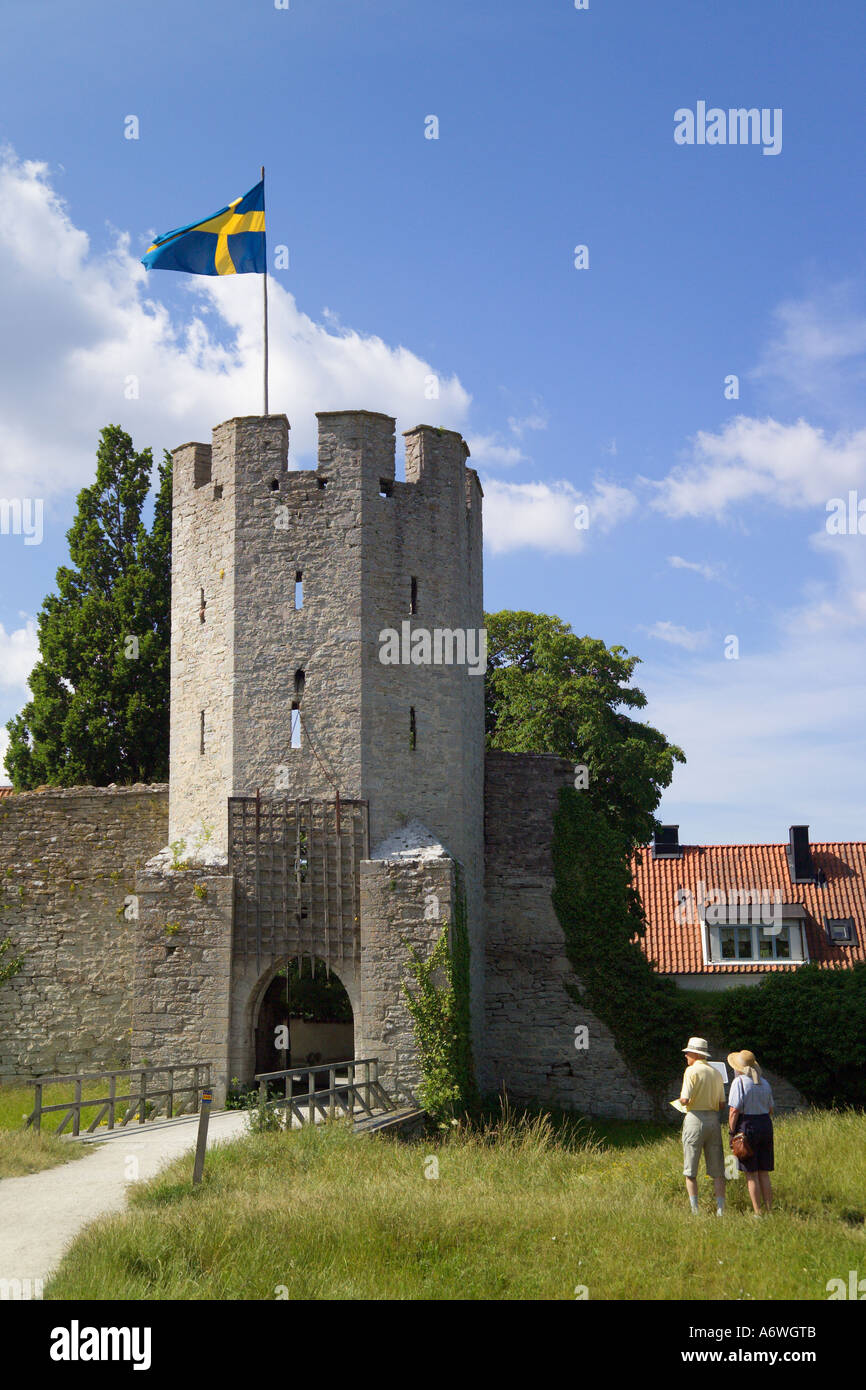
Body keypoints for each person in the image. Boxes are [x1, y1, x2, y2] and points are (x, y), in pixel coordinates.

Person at [678, 1036, 727, 1216]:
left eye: (688, 1053)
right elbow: (722, 1104)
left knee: (690, 1169)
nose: (686, 1056)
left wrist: (685, 1102)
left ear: (694, 1054)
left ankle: (695, 1210)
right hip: (713, 1119)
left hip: (695, 1118)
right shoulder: (716, 1073)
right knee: (718, 1169)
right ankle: (720, 1210)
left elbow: (684, 1099)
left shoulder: (691, 1071)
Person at [727, 1050, 774, 1215]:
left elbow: (734, 1110)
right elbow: (770, 1109)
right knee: (764, 1172)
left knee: (751, 1173)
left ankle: (758, 1212)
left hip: (747, 1126)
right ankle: (770, 1210)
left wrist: (732, 1132)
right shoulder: (765, 1083)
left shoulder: (738, 1082)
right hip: (766, 1125)